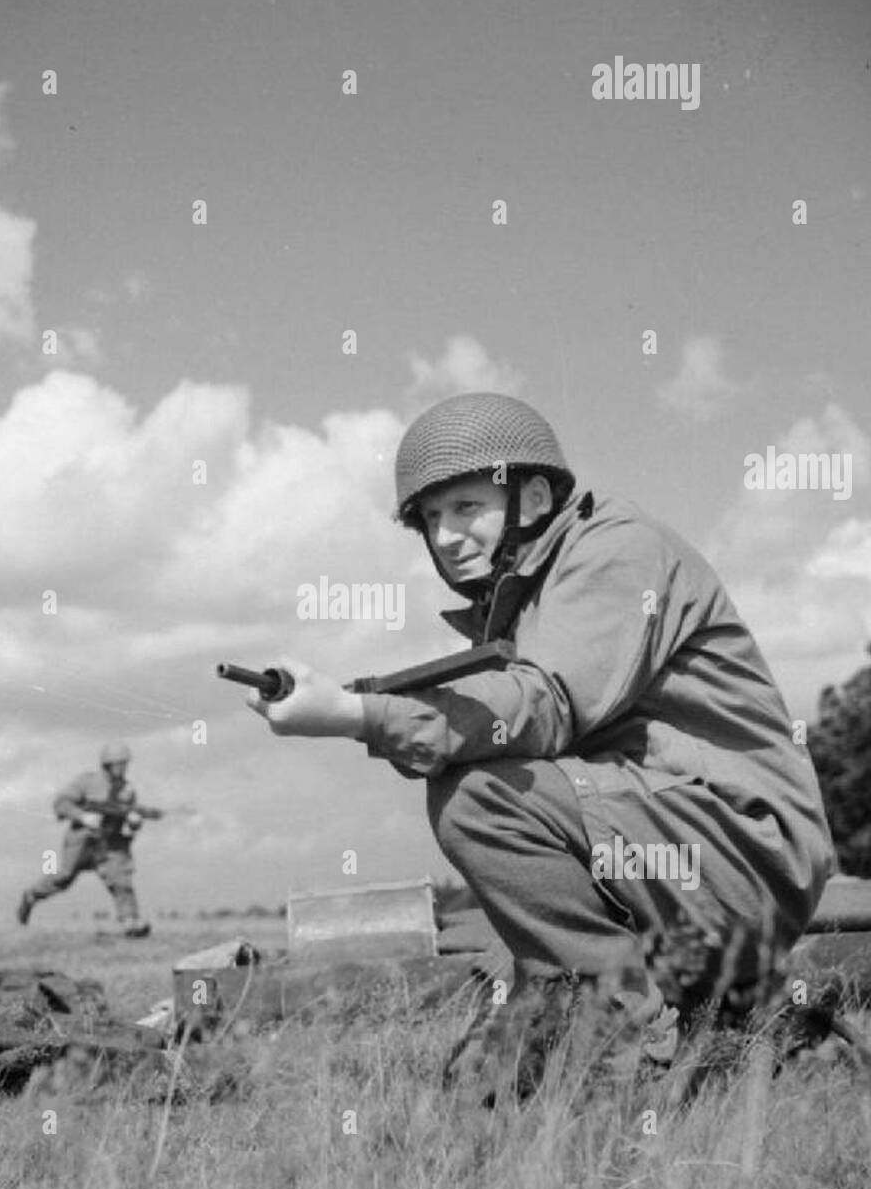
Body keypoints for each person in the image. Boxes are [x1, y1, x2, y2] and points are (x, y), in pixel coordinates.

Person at [245, 392, 836, 1100]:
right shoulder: (532, 592)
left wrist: (352, 715)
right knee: (484, 1079)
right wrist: (358, 706)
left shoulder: (613, 548)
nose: (447, 536)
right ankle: (704, 1011)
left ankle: (625, 1037)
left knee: (478, 798)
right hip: (674, 841)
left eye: (466, 507)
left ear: (530, 494)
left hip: (745, 847)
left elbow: (540, 704)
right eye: (430, 519)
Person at [16, 741, 165, 937]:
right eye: (119, 764)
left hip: (109, 843)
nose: (123, 768)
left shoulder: (127, 791)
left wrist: (134, 824)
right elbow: (61, 803)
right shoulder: (87, 782)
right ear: (107, 764)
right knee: (63, 877)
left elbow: (128, 828)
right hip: (82, 841)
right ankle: (31, 895)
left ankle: (131, 922)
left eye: (125, 764)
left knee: (120, 877)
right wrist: (83, 817)